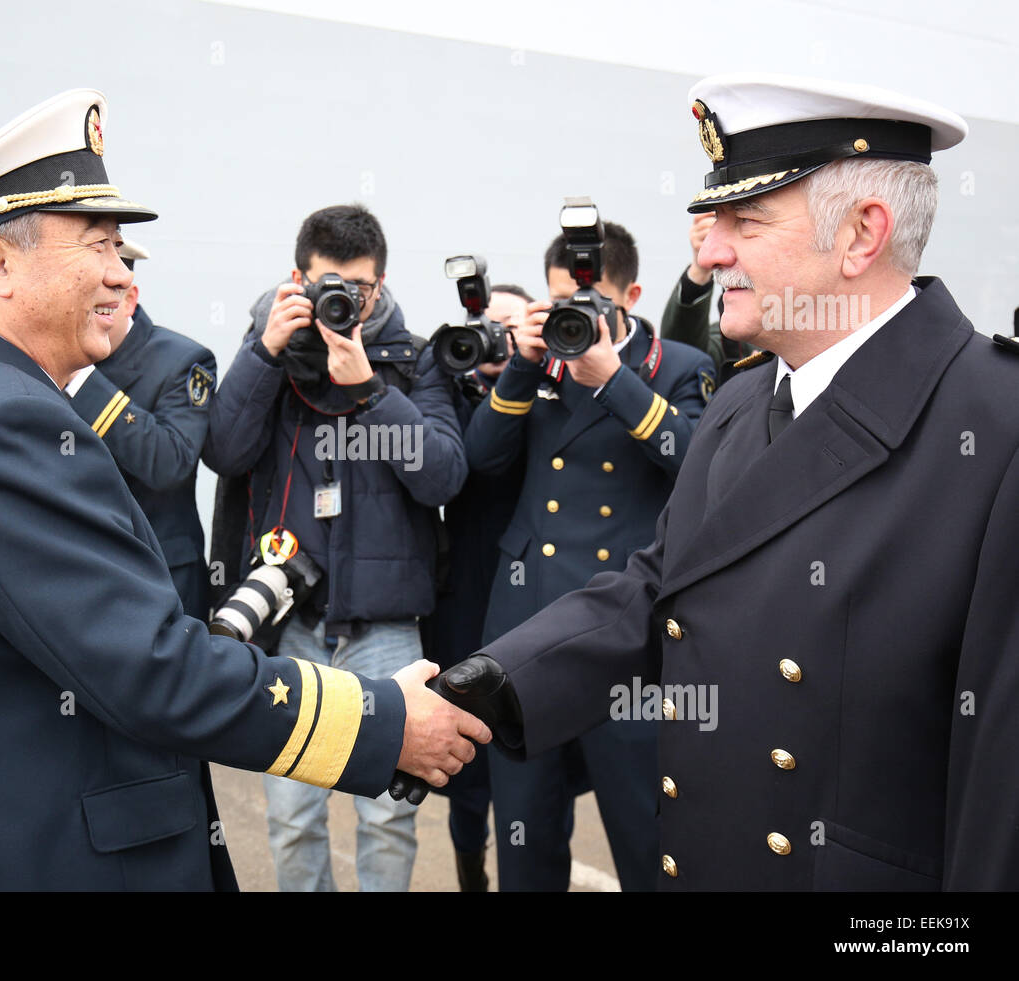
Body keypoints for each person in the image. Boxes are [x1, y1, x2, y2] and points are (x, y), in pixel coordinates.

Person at [0, 89, 488, 891]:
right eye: (97, 245)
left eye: (120, 249)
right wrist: (380, 717)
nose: (119, 272)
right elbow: (153, 671)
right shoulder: (6, 424)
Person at [429, 74, 1019, 890]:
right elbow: (657, 592)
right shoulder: (744, 400)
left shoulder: (996, 426)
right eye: (711, 222)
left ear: (861, 234)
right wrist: (477, 693)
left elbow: (1001, 799)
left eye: (745, 220)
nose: (708, 253)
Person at [203, 203, 468, 891]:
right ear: (299, 278)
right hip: (293, 621)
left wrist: (373, 390)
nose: (345, 301)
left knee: (387, 815)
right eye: (329, 285)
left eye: (362, 289)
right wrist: (265, 353)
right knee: (292, 815)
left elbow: (444, 471)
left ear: (381, 285)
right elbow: (225, 451)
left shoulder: (410, 360)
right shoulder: (270, 347)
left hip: (384, 626)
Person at [462, 222, 714, 891]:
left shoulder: (681, 366)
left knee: (644, 828)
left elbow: (697, 468)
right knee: (525, 827)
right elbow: (480, 461)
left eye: (591, 302)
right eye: (560, 303)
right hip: (528, 617)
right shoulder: (538, 366)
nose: (575, 318)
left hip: (621, 629)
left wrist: (612, 380)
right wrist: (520, 360)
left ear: (631, 294)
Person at [421, 283, 531, 891]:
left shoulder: (546, 390)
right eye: (488, 327)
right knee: (464, 741)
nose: (497, 339)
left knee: (522, 741)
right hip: (462, 591)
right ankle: (470, 871)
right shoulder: (448, 392)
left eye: (512, 327)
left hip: (529, 590)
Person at [64, 238, 215, 620]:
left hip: (158, 574)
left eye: (101, 302)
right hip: (76, 569)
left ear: (129, 299)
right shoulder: (53, 358)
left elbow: (169, 462)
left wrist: (83, 378)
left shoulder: (183, 360)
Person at [659, 213, 758, 384]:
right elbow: (682, 358)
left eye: (747, 223)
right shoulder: (733, 339)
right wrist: (699, 269)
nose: (721, 261)